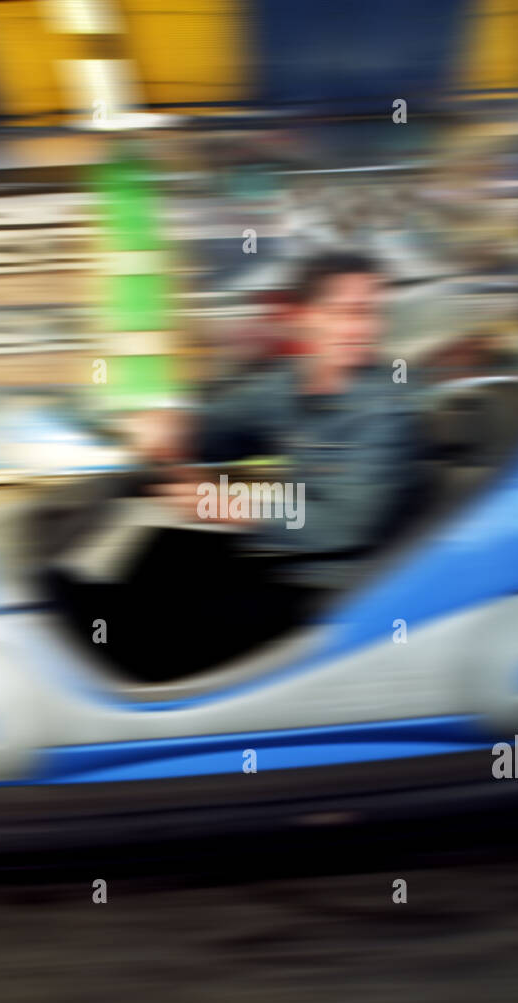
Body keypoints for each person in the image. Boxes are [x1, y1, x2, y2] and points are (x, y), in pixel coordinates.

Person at [74, 251, 417, 681]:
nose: (365, 329)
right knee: (164, 551)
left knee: (172, 619)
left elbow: (345, 522)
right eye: (348, 313)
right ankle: (75, 619)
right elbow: (226, 426)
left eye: (371, 314)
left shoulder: (388, 406)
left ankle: (133, 690)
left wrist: (233, 506)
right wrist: (174, 428)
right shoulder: (292, 381)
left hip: (338, 587)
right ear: (304, 316)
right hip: (287, 558)